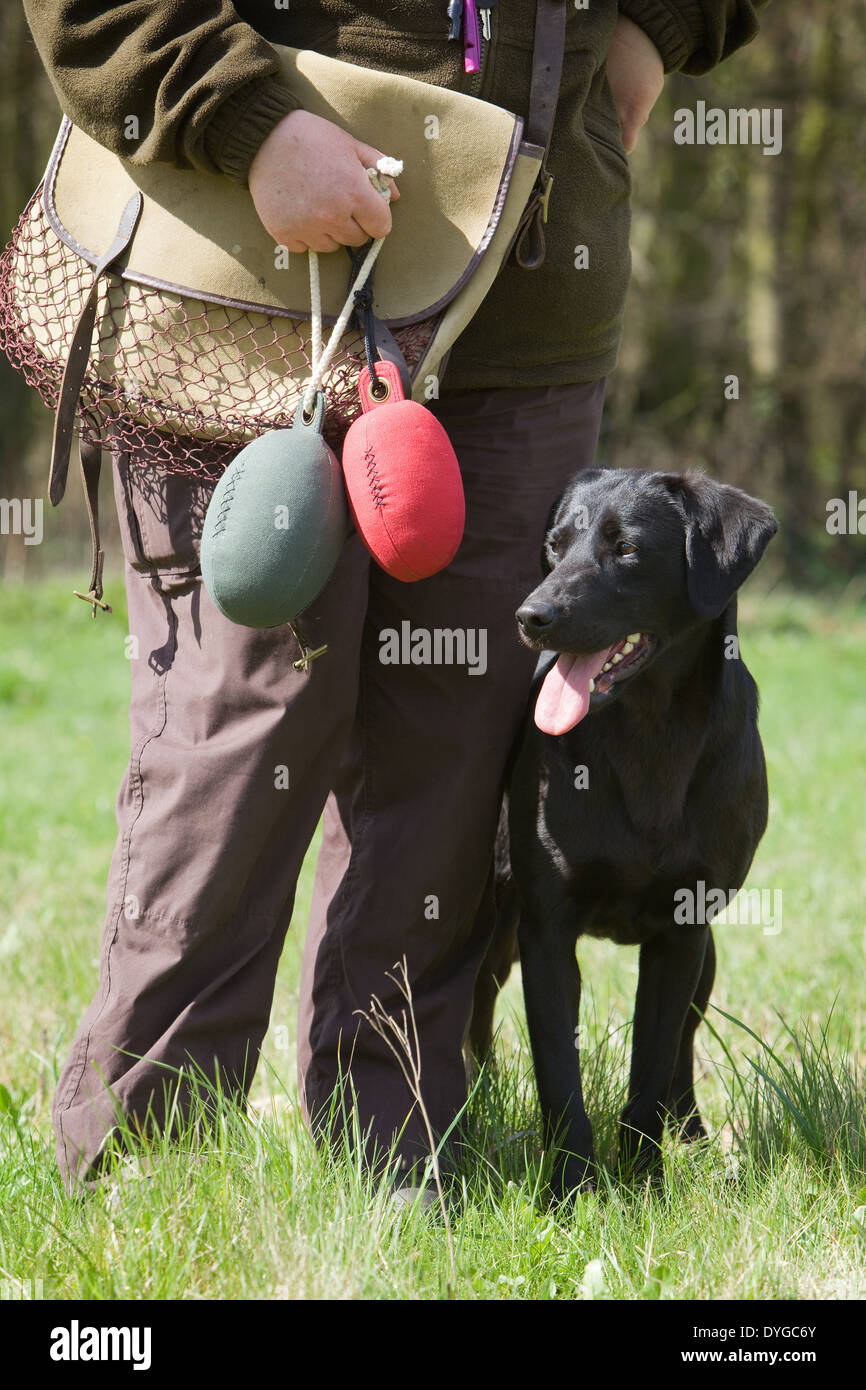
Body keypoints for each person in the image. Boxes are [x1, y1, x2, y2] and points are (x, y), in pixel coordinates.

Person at [21, 0, 770, 1192]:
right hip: (252, 279)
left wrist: (649, 29)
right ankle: (139, 1176)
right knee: (246, 728)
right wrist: (244, 120)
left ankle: (396, 1160)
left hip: (525, 310)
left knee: (458, 755)